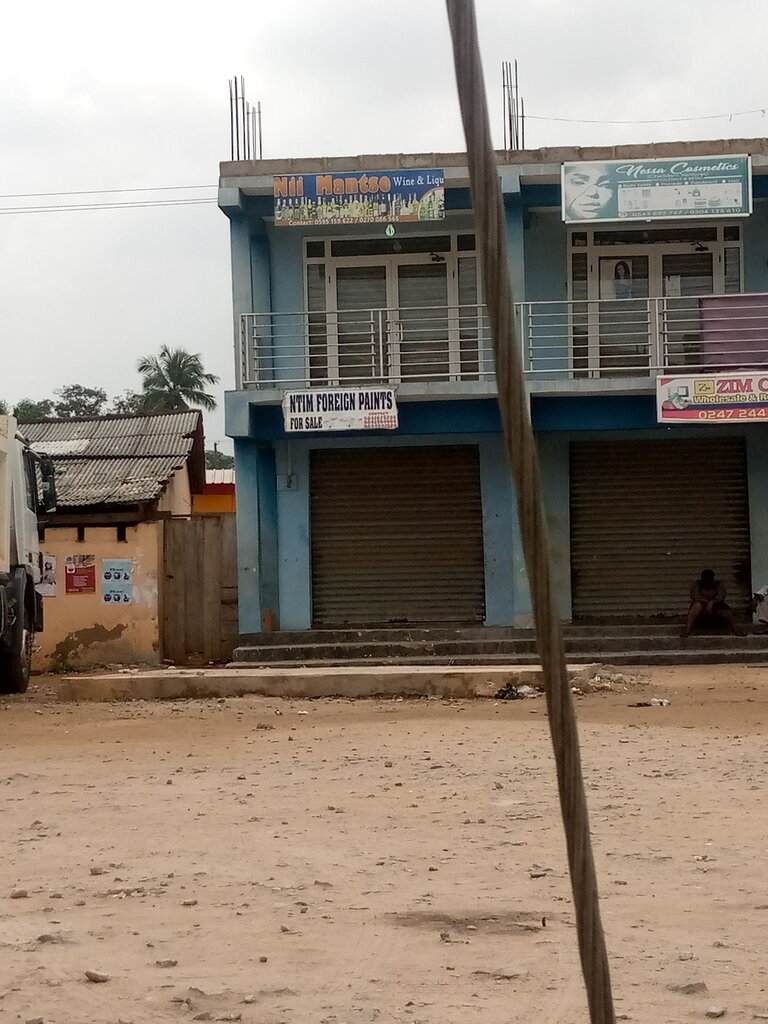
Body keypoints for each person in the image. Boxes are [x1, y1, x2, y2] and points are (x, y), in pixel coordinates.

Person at [681, 569, 745, 638]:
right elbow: (695, 596)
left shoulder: (719, 584)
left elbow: (721, 596)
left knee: (726, 610)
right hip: (701, 611)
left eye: (710, 578)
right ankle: (687, 630)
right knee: (697, 605)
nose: (708, 581)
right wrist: (706, 602)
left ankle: (735, 629)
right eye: (705, 579)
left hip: (716, 609)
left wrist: (712, 602)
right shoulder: (697, 584)